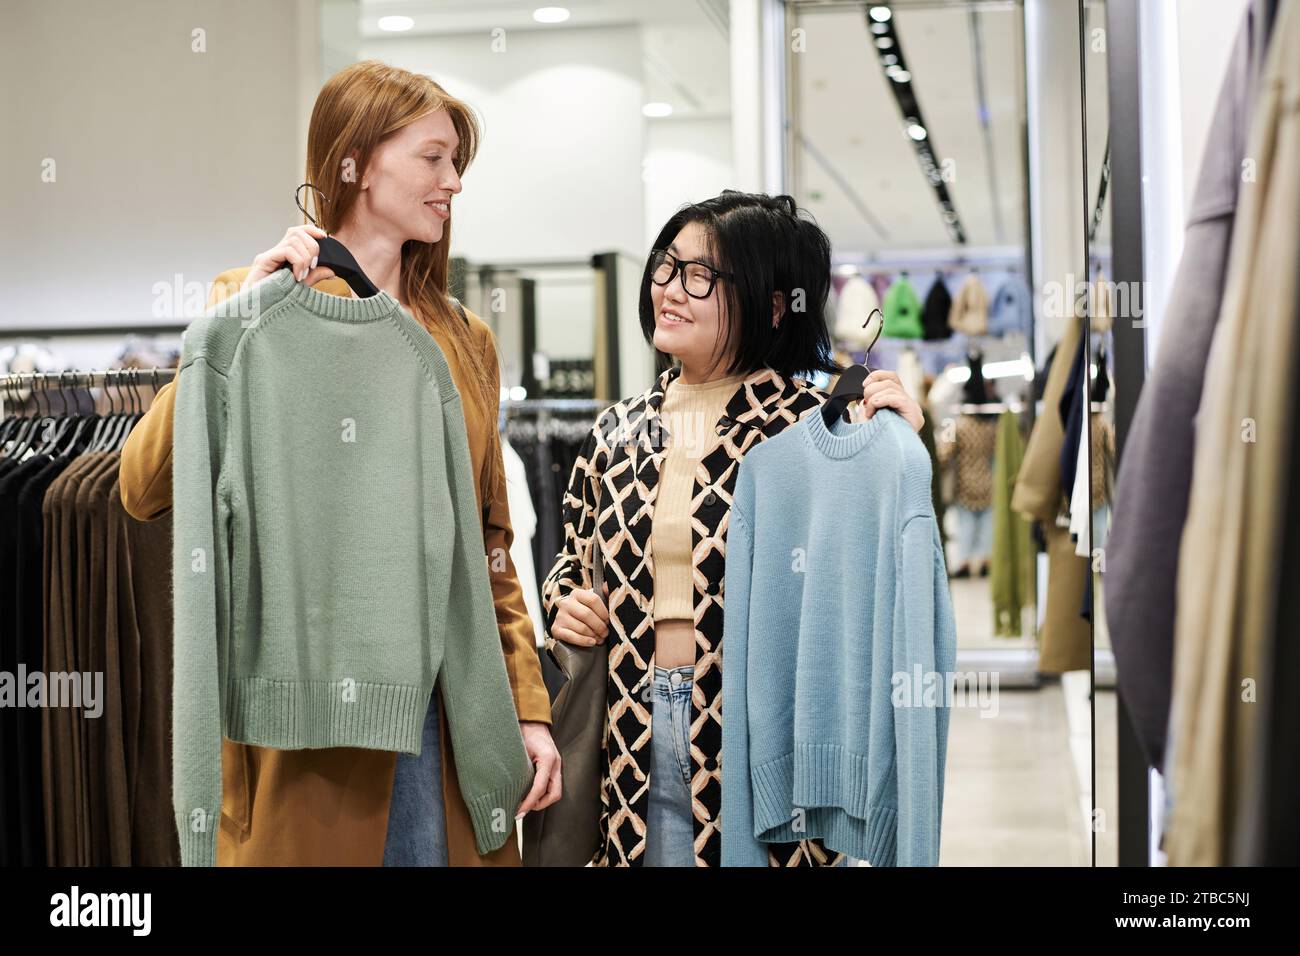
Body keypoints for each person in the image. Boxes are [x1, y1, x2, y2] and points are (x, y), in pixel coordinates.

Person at [119, 60, 560, 866]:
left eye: (457, 162)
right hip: (307, 729)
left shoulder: (462, 339)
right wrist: (238, 316)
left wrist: (525, 707)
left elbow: (491, 544)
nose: (453, 181)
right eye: (433, 158)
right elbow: (143, 488)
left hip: (447, 711)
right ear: (355, 160)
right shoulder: (250, 305)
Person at [540, 191, 924, 867]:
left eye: (700, 276)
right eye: (666, 266)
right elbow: (572, 561)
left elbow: (874, 579)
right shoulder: (619, 430)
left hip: (760, 737)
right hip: (631, 730)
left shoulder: (818, 426)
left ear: (772, 304)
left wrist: (899, 449)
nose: (671, 289)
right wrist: (564, 603)